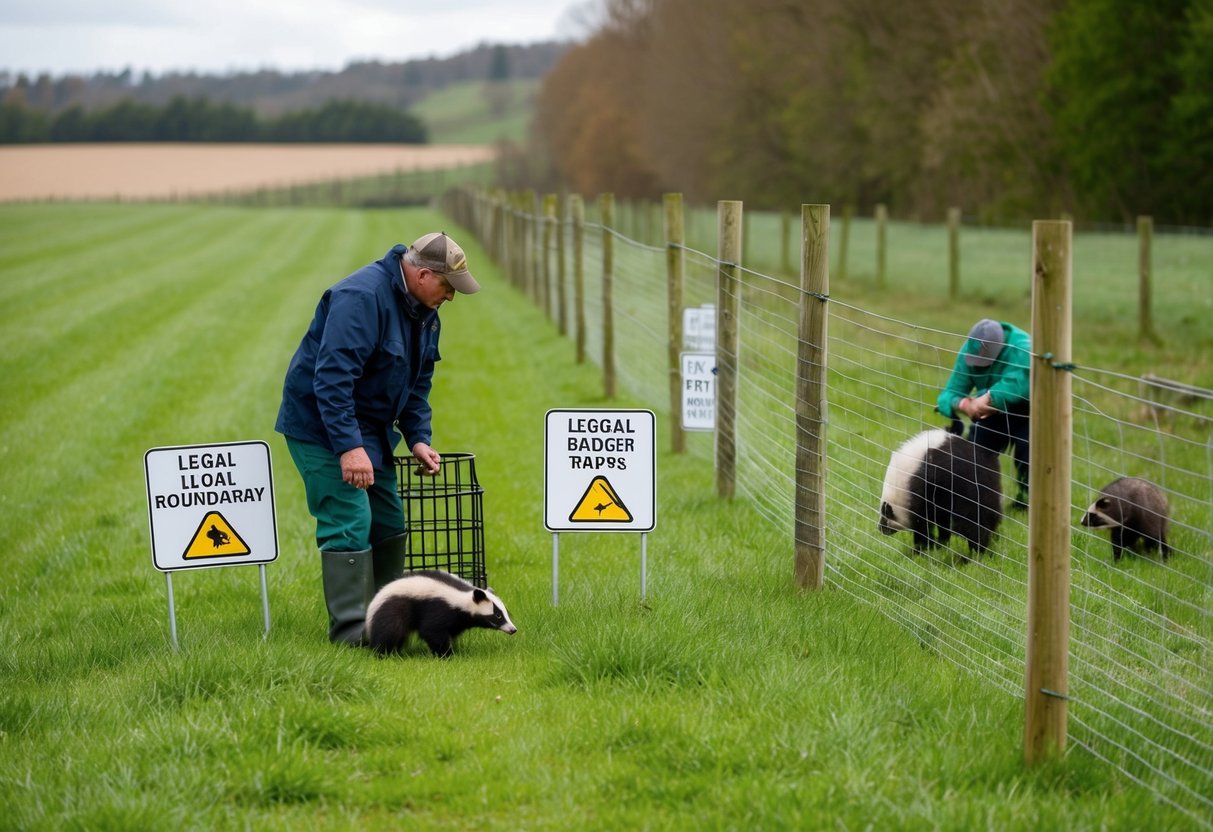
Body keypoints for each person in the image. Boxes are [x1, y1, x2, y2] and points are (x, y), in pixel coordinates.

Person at [276, 232, 480, 645]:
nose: (451, 297)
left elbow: (417, 382)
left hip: (369, 428)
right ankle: (354, 634)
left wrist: (418, 437)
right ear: (423, 274)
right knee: (351, 518)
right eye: (447, 287)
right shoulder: (360, 298)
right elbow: (331, 380)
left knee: (388, 519)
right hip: (321, 426)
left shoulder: (425, 312)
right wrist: (350, 448)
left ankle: (390, 621)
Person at [936, 318, 1032, 508]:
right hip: (990, 413)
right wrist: (964, 404)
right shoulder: (970, 349)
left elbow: (1018, 385)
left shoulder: (1023, 347)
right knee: (975, 454)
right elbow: (948, 395)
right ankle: (975, 498)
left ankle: (1030, 499)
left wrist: (985, 399)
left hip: (1030, 410)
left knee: (1028, 452)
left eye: (984, 363)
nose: (979, 365)